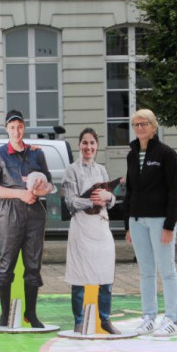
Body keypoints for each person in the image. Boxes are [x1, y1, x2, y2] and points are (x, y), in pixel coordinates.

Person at [0, 109, 54, 328]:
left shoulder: (36, 153)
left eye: (20, 126)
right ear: (6, 128)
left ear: (24, 128)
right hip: (10, 214)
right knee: (7, 266)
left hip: (35, 215)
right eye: (12, 127)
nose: (17, 131)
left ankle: (30, 314)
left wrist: (41, 190)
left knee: (33, 266)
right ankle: (5, 315)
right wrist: (19, 193)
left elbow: (49, 183)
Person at [124, 108, 177, 337]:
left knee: (167, 270)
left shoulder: (166, 154)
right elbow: (130, 189)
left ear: (153, 126)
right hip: (137, 221)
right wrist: (127, 225)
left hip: (160, 221)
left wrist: (169, 224)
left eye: (144, 124)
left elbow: (174, 192)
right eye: (136, 124)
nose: (139, 128)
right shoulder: (131, 154)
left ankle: (172, 318)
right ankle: (148, 316)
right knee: (146, 271)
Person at [62, 128, 120, 334]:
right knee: (79, 275)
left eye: (92, 143)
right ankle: (79, 321)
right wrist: (91, 200)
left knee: (105, 274)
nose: (88, 147)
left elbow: (111, 200)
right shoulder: (71, 170)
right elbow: (70, 201)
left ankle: (104, 319)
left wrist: (108, 197)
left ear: (96, 146)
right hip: (81, 226)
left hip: (101, 226)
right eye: (85, 143)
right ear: (79, 145)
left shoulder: (102, 170)